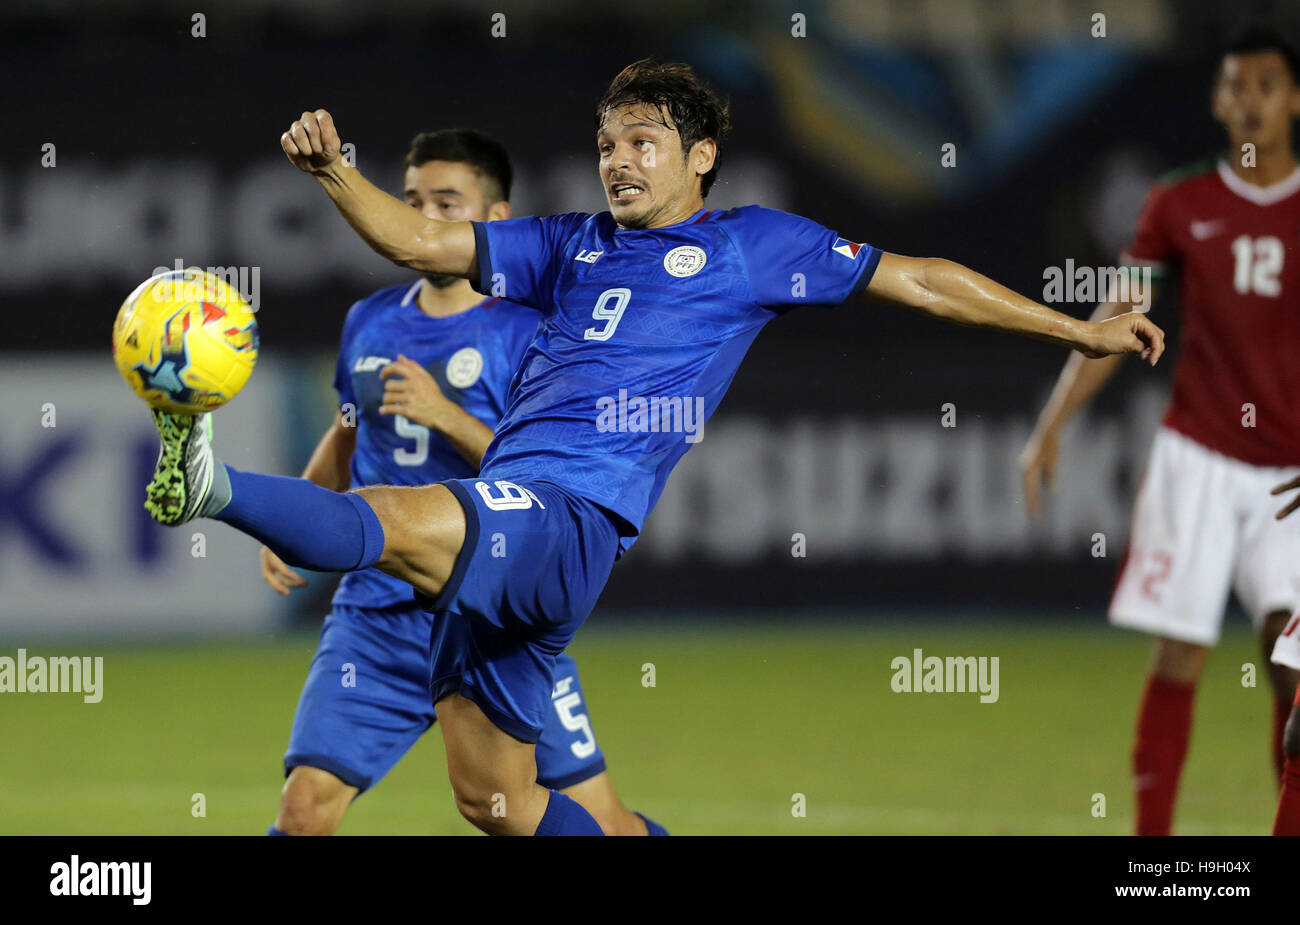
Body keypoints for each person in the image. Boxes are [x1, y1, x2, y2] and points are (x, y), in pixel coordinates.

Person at [143, 58, 1163, 835]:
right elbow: (420, 244)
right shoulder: (568, 246)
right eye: (607, 143)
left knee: (388, 518)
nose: (618, 160)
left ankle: (210, 481)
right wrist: (332, 172)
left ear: (698, 157)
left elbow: (920, 276)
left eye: (641, 142)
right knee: (491, 802)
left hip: (568, 518)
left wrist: (1073, 327)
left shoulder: (752, 245)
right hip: (511, 535)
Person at [264, 128, 654, 836]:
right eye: (414, 200)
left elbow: (547, 485)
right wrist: (299, 511)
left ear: (495, 220)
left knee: (602, 820)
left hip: (490, 614)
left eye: (448, 202)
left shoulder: (536, 330)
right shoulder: (371, 320)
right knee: (303, 808)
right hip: (377, 618)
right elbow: (350, 429)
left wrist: (446, 415)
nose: (425, 216)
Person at [1020, 26, 1300, 835]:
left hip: (1292, 476)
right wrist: (1052, 424)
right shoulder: (1180, 202)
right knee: (1179, 654)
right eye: (1236, 87)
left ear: (1293, 100)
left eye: (1267, 85)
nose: (1250, 101)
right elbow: (1114, 317)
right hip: (1200, 457)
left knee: (1291, 670)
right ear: (1216, 100)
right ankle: (1154, 857)